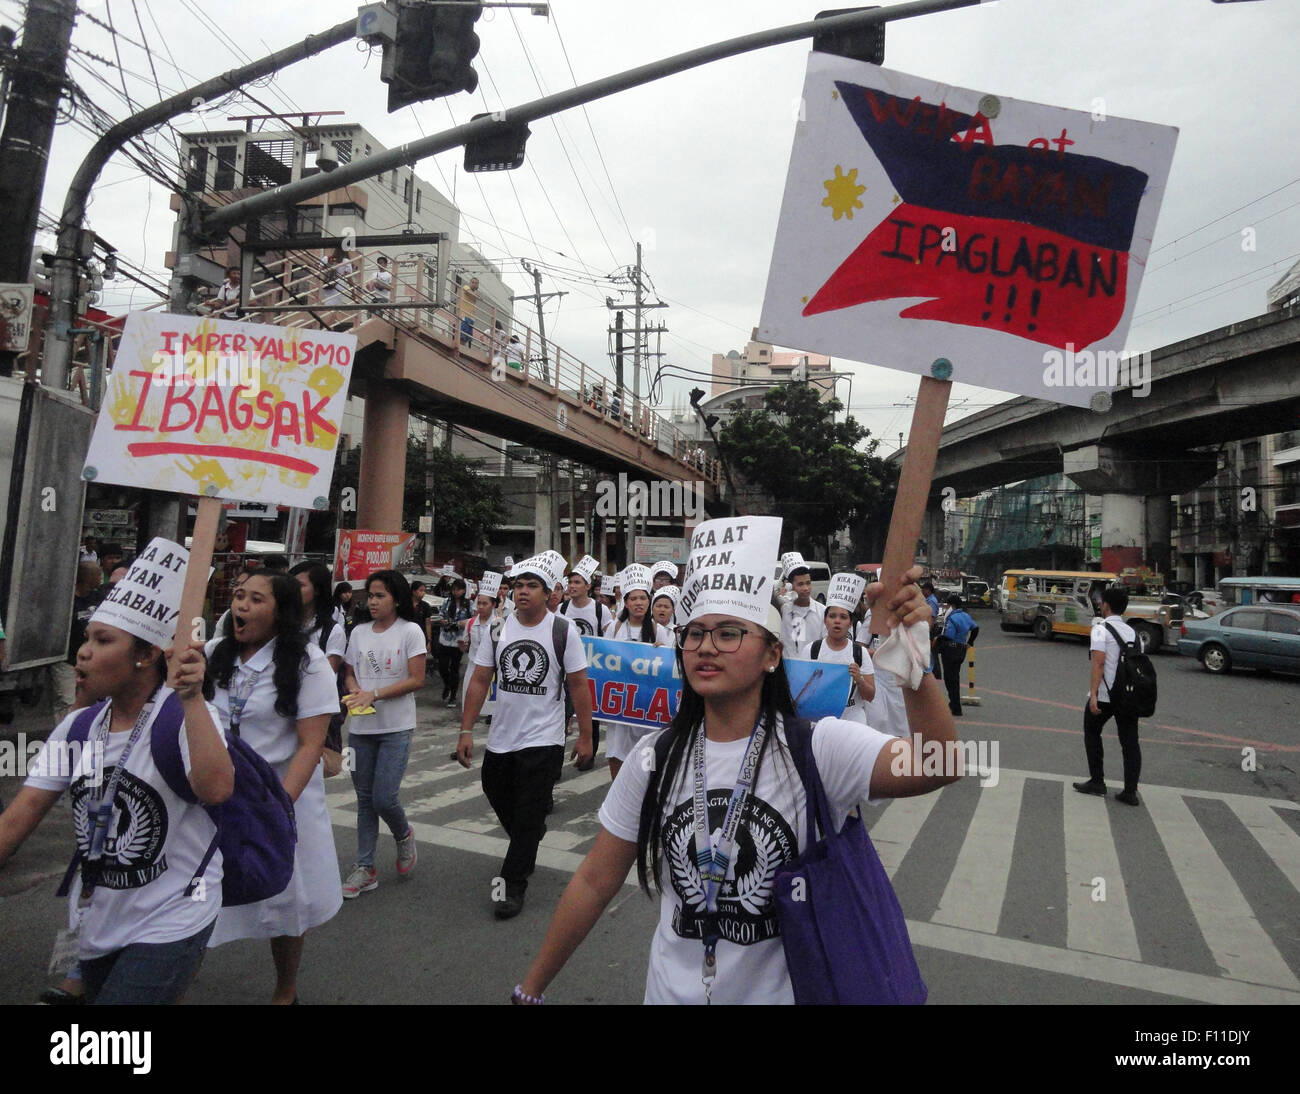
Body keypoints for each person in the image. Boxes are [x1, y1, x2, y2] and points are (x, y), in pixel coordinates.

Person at [512, 518, 958, 1005]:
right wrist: (530, 989)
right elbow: (595, 881)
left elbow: (940, 763)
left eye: (728, 633)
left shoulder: (819, 749)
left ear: (772, 655)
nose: (706, 646)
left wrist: (914, 663)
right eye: (695, 634)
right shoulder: (654, 759)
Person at [0, 539, 234, 1005]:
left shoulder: (185, 717)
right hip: (100, 916)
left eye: (103, 641)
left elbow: (218, 789)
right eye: (88, 638)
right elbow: (20, 815)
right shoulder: (78, 726)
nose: (84, 653)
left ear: (146, 655)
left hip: (173, 916)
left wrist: (191, 700)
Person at [203, 571, 342, 1004]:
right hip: (215, 798)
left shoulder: (309, 664)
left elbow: (310, 744)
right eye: (238, 596)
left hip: (280, 798)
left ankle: (286, 990)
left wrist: (276, 808)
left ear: (279, 611)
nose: (240, 605)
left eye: (255, 599)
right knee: (193, 892)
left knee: (286, 901)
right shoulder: (210, 654)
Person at [458, 551, 593, 920]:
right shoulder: (497, 629)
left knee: (531, 806)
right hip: (503, 736)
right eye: (518, 585)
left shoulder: (563, 631)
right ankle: (528, 837)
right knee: (494, 788)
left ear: (549, 593)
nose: (523, 591)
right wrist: (466, 729)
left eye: (532, 585)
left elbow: (579, 686)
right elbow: (481, 679)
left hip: (545, 737)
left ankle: (511, 885)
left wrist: (585, 736)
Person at [341, 570, 427, 898]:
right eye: (370, 596)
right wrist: (354, 690)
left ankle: (403, 835)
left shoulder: (411, 631)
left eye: (380, 596)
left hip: (396, 727)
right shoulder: (359, 632)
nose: (373, 602)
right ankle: (365, 867)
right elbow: (350, 672)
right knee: (364, 800)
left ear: (396, 598)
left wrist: (374, 695)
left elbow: (417, 679)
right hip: (361, 727)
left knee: (383, 797)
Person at [602, 564, 672, 781]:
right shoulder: (614, 629)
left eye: (642, 598)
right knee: (618, 758)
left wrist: (663, 655)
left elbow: (670, 673)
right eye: (633, 599)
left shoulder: (661, 632)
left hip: (647, 709)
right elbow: (603, 665)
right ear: (626, 602)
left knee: (646, 767)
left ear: (648, 601)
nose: (638, 603)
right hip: (621, 709)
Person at [1073, 587, 1142, 806]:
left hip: (1106, 694)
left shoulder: (1101, 629)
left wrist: (1093, 694)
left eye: (1102, 602)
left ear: (1106, 605)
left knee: (1092, 732)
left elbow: (1099, 662)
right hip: (1129, 695)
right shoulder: (1134, 633)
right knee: (1130, 741)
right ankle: (1130, 792)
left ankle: (1097, 781)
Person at [801, 573, 875, 727]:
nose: (837, 621)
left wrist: (859, 679)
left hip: (853, 725)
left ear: (850, 624)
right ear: (825, 620)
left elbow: (870, 695)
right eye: (832, 616)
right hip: (819, 724)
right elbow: (801, 693)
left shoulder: (859, 654)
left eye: (843, 617)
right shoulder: (811, 650)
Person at [559, 556, 610, 771]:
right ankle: (554, 764)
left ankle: (588, 755)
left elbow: (609, 641)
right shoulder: (562, 609)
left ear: (588, 586)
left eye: (578, 582)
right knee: (562, 716)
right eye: (570, 582)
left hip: (592, 672)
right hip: (566, 673)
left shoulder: (600, 610)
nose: (572, 586)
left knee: (591, 716)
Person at [52, 562, 103, 725]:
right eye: (97, 574)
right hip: (67, 658)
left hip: (90, 657)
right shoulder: (67, 601)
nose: (100, 577)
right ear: (87, 578)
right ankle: (64, 734)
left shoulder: (97, 597)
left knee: (91, 696)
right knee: (66, 699)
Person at [773, 552, 825, 652]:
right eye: (800, 584)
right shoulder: (783, 611)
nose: (806, 588)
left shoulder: (822, 611)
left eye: (808, 583)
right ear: (790, 586)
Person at [937, 595, 976, 717]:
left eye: (948, 605)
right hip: (961, 649)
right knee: (955, 677)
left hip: (950, 650)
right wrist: (970, 642)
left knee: (949, 679)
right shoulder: (966, 616)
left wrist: (937, 639)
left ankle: (955, 706)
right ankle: (954, 704)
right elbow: (976, 629)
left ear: (952, 605)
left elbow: (949, 635)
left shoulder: (952, 618)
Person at [435, 578, 473, 706]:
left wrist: (461, 624)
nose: (456, 592)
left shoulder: (468, 604)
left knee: (454, 668)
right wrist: (443, 621)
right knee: (443, 667)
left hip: (459, 640)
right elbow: (440, 615)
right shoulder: (447, 601)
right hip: (445, 638)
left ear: (463, 590)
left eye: (459, 589)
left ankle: (452, 695)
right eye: (454, 589)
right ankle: (447, 685)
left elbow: (472, 620)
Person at [458, 275, 480, 346]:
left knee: (468, 336)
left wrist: (477, 295)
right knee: (463, 334)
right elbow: (469, 292)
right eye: (472, 282)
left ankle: (462, 348)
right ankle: (460, 347)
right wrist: (477, 295)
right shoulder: (466, 287)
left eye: (476, 283)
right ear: (469, 283)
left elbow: (480, 298)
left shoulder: (476, 293)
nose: (474, 284)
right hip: (464, 315)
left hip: (471, 317)